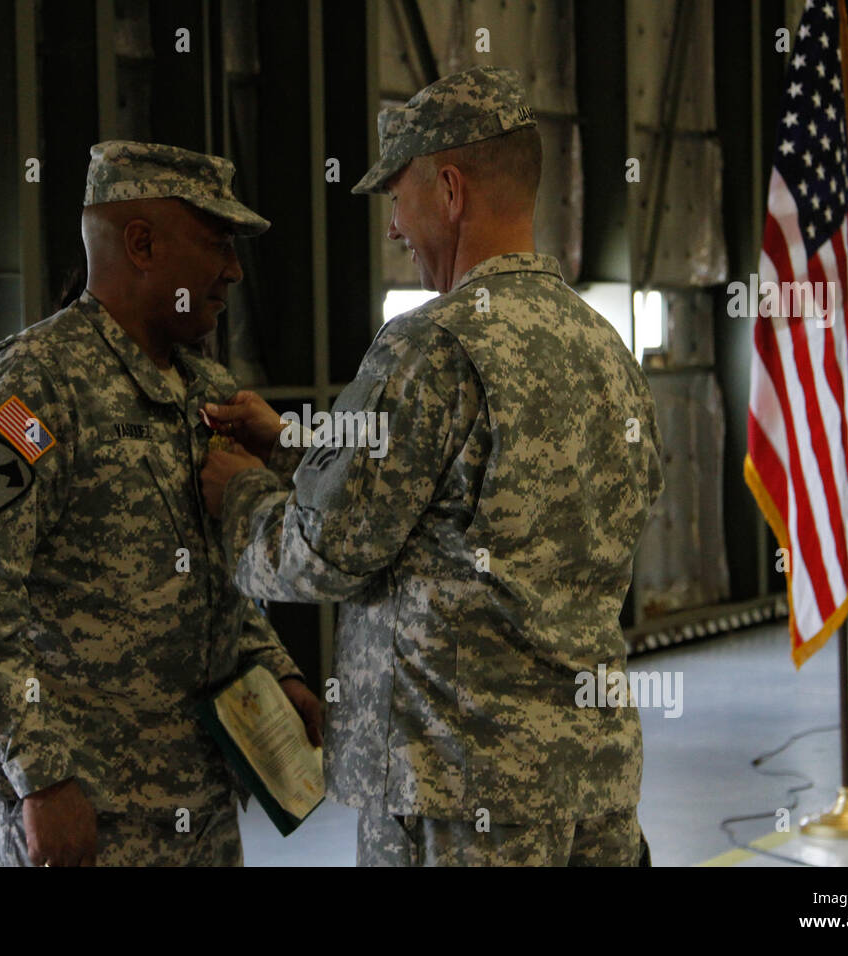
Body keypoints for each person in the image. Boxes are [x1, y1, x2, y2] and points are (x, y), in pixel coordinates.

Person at [199, 67, 665, 866]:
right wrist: (296, 446)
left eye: (398, 196)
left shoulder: (432, 346)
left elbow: (321, 550)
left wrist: (239, 492)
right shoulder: (605, 347)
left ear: (449, 191)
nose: (393, 228)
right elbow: (484, 495)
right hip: (592, 787)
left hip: (458, 798)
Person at [0, 141, 321, 867]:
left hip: (197, 800)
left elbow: (212, 575)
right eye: (216, 243)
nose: (231, 270)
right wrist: (43, 778)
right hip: (86, 814)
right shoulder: (34, 392)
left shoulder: (202, 390)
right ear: (140, 243)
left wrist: (273, 666)